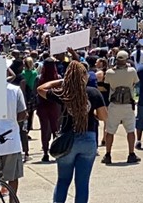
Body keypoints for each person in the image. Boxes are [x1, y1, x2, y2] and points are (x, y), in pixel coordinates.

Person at [39, 60, 107, 203]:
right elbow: (104, 116)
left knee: (63, 180)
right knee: (82, 184)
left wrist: (62, 81)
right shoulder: (93, 92)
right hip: (88, 138)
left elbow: (41, 89)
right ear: (84, 76)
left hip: (67, 139)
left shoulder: (65, 93)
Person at [0, 73, 28, 196]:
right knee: (13, 177)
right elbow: (23, 114)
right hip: (11, 140)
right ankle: (12, 200)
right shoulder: (14, 90)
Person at [102, 51, 140, 165]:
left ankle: (108, 154)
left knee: (110, 131)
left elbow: (107, 83)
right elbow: (135, 82)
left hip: (114, 105)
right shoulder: (132, 71)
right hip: (128, 104)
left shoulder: (110, 72)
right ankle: (131, 153)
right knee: (130, 130)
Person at [36, 59, 62, 162]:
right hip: (55, 106)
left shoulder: (39, 78)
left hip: (42, 106)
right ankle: (57, 151)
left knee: (44, 129)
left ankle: (45, 152)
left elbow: (35, 92)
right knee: (55, 129)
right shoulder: (58, 78)